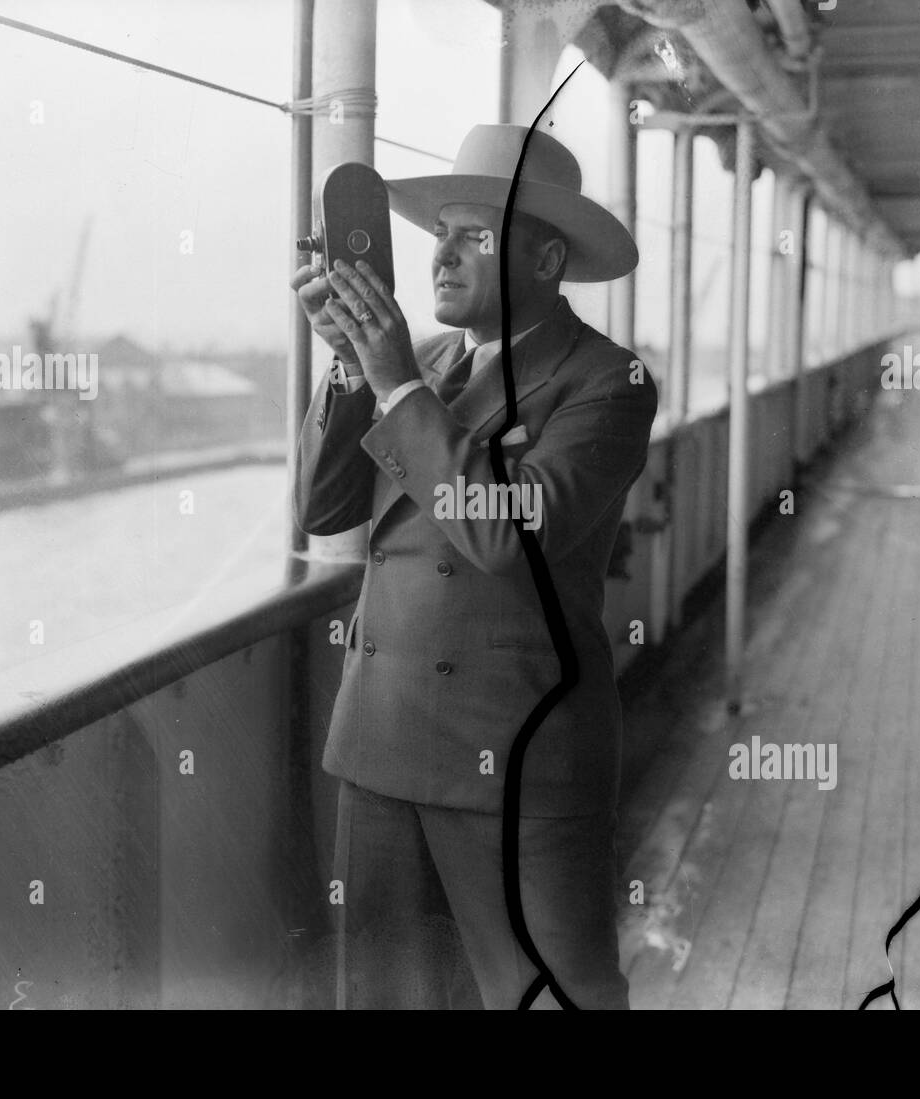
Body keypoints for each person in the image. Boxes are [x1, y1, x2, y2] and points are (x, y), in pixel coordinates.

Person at [291, 123, 658, 1009]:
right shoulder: (414, 369)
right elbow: (323, 508)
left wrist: (397, 387)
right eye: (440, 234)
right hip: (382, 745)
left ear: (545, 258)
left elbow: (506, 531)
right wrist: (351, 369)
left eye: (474, 235)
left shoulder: (610, 381)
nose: (441, 256)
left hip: (519, 757)